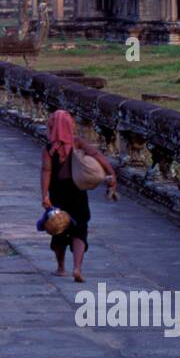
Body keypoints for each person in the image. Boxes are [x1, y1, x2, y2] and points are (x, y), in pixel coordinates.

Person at [41, 109, 116, 283]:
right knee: (80, 228)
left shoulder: (49, 149)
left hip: (57, 192)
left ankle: (61, 268)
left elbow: (46, 171)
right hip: (77, 191)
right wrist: (111, 173)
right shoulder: (77, 143)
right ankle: (77, 268)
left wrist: (45, 195)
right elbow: (97, 156)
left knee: (58, 229)